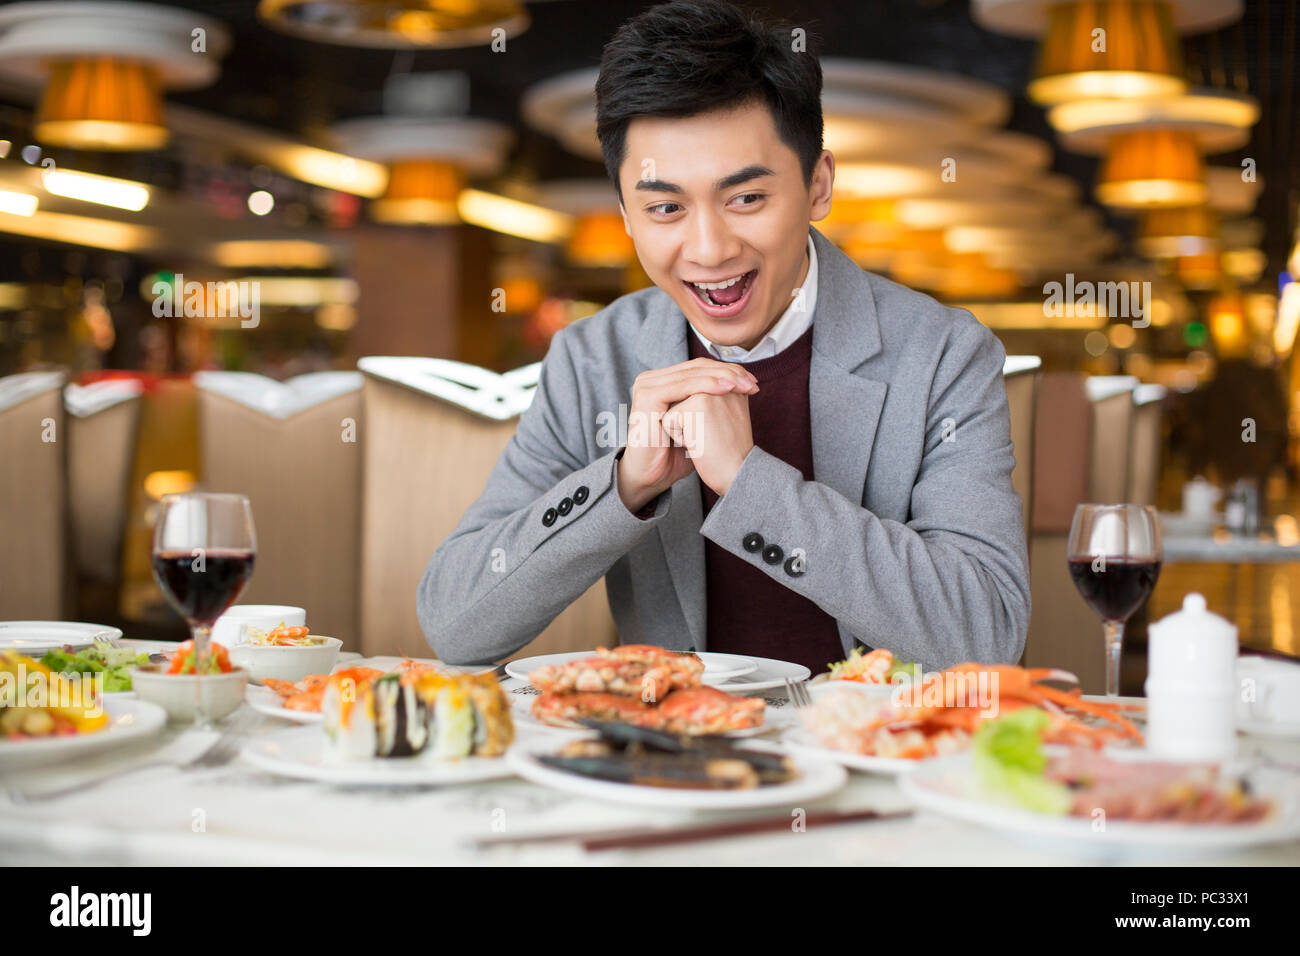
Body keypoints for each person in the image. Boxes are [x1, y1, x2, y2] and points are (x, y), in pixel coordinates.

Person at [417, 0, 1030, 672]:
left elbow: (986, 632)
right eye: (665, 208)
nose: (707, 249)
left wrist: (750, 484)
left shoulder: (943, 354)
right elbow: (455, 624)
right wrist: (623, 485)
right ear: (625, 214)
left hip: (875, 750)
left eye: (746, 199)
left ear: (818, 185)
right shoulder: (593, 358)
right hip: (666, 758)